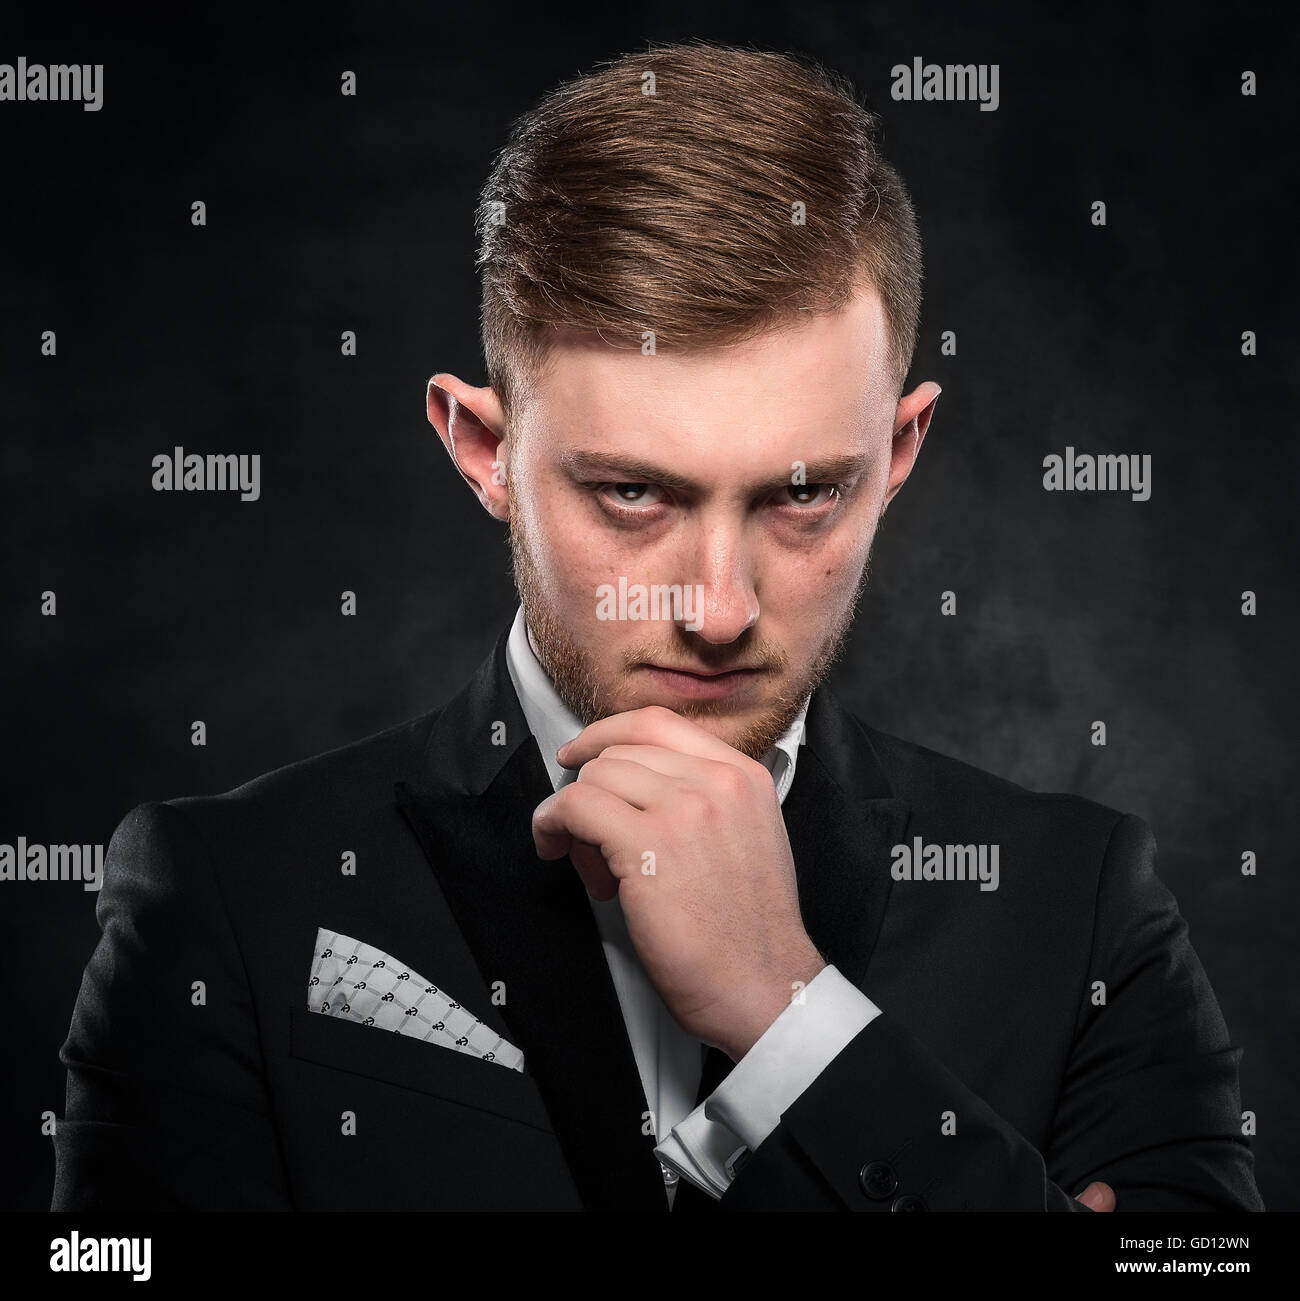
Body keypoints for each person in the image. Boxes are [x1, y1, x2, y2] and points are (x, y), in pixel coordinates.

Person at [52, 41, 1262, 1212]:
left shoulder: (1081, 901)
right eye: (632, 491)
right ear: (482, 450)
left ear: (897, 452)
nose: (717, 610)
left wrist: (793, 1016)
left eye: (801, 492)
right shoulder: (222, 895)